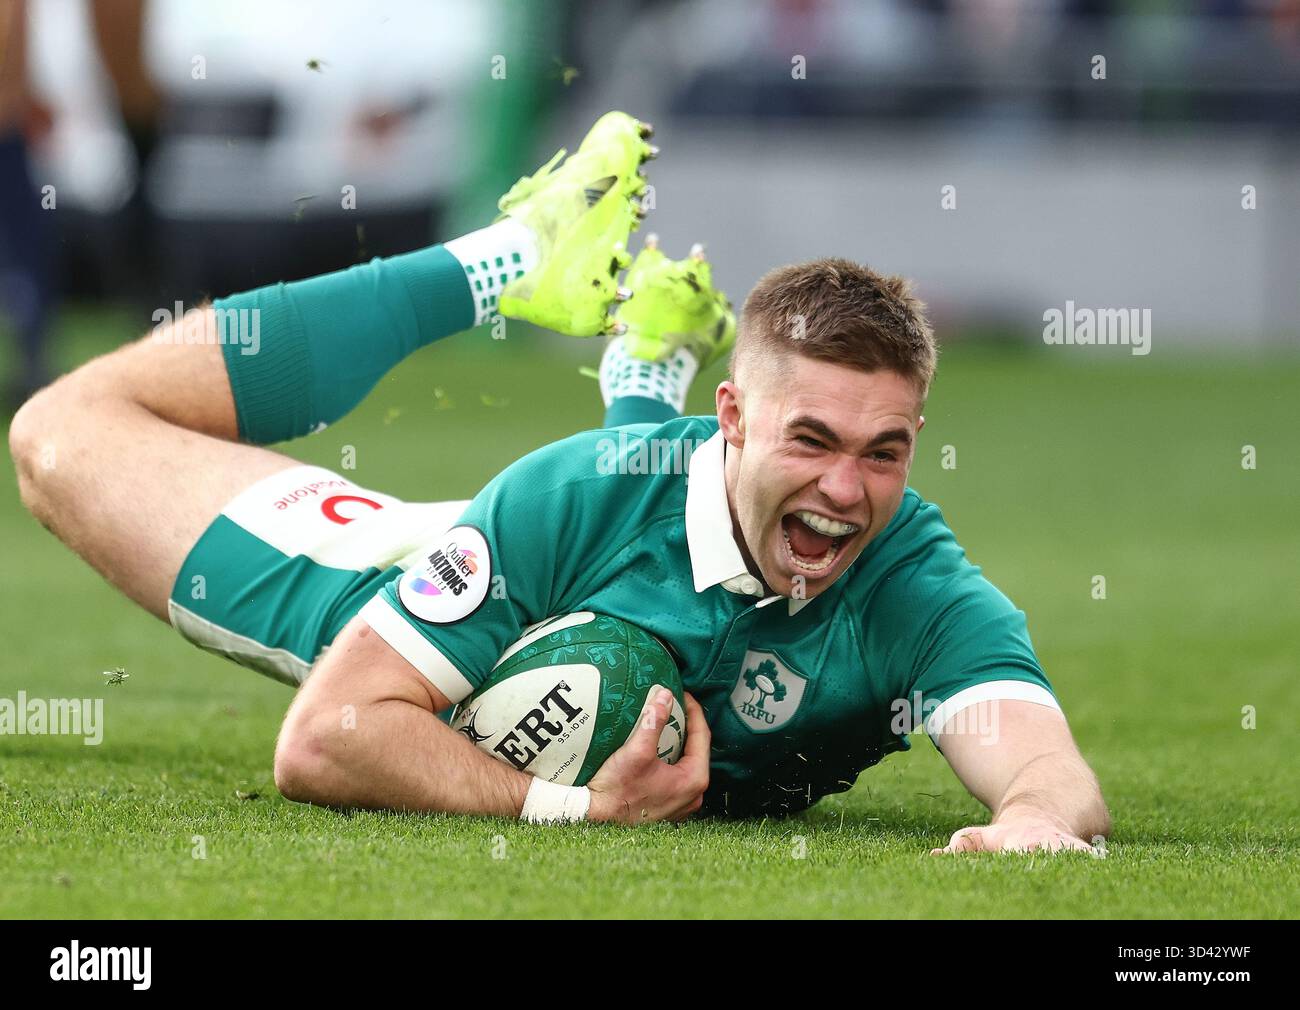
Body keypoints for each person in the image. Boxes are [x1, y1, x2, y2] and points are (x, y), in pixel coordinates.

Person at [10, 111, 1109, 852]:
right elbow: (326, 734)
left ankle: (644, 362)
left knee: (632, 510)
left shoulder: (912, 577)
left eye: (885, 450)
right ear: (729, 418)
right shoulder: (568, 494)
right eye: (813, 436)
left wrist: (1032, 822)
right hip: (369, 586)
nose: (848, 487)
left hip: (592, 524)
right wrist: (576, 804)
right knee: (60, 426)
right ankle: (497, 264)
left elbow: (1048, 773)